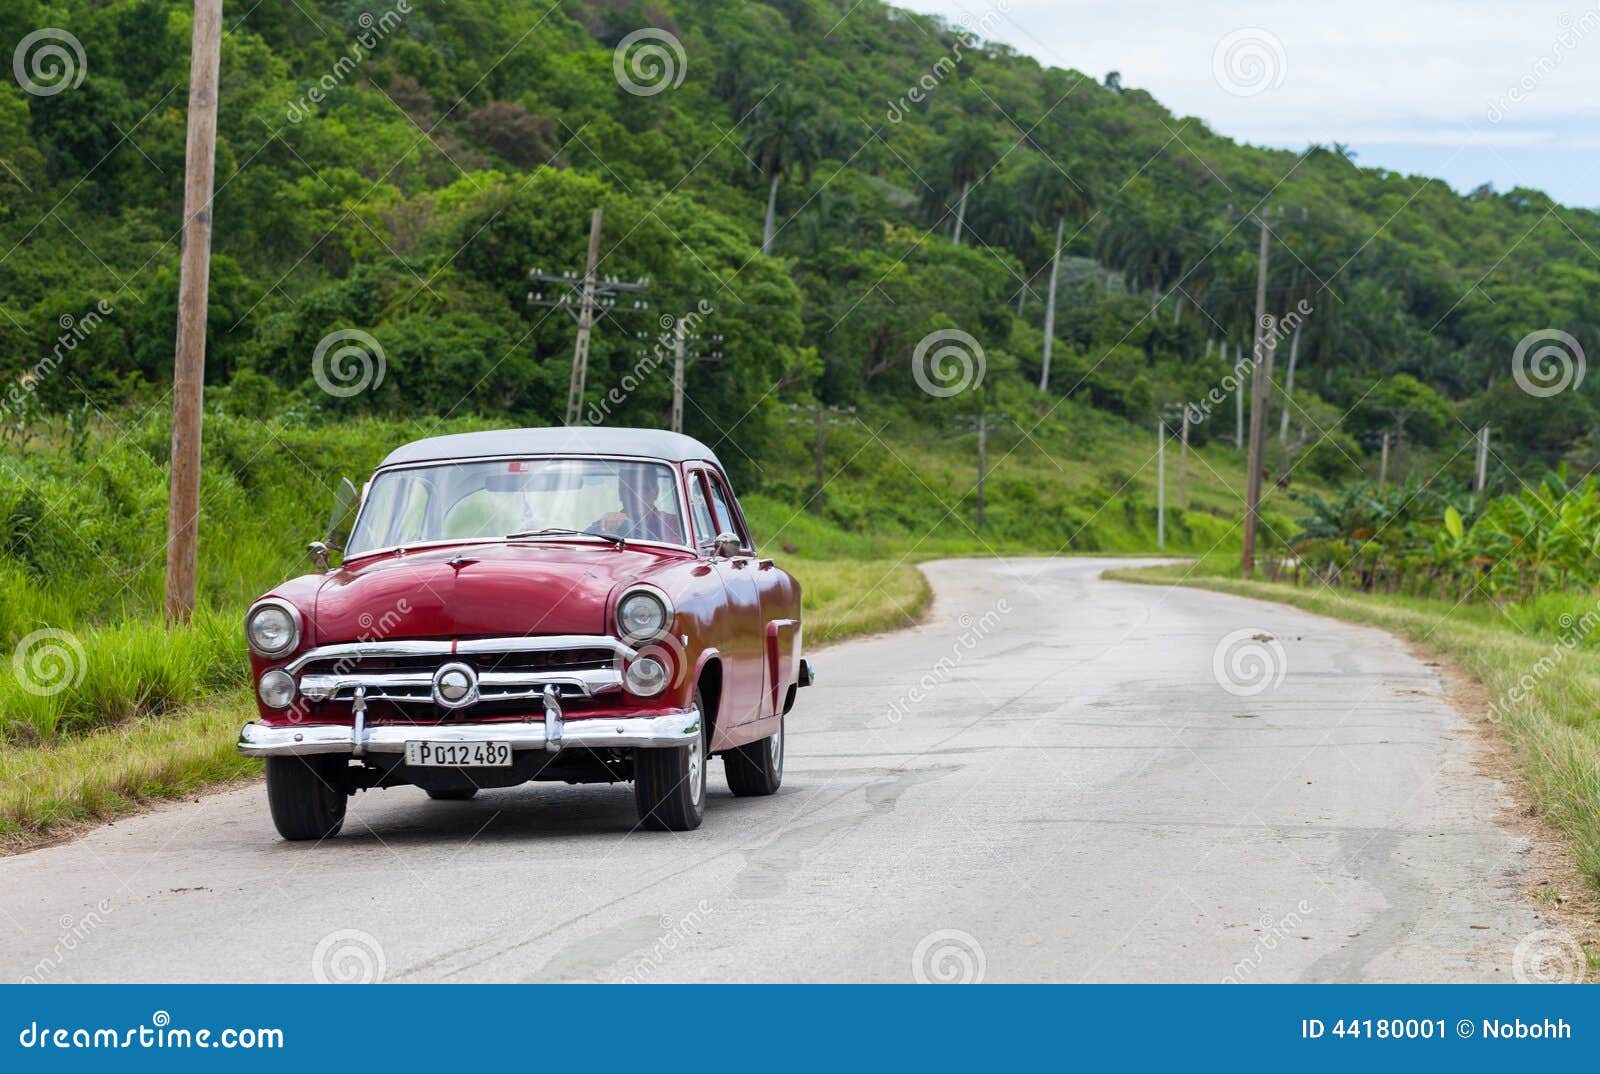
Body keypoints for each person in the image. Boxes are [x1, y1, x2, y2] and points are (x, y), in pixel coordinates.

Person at [588, 466, 684, 543]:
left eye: (642, 489)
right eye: (627, 489)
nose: (634, 495)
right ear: (620, 493)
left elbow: (676, 557)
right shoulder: (607, 524)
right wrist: (606, 527)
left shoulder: (674, 523)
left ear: (656, 492)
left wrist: (632, 529)